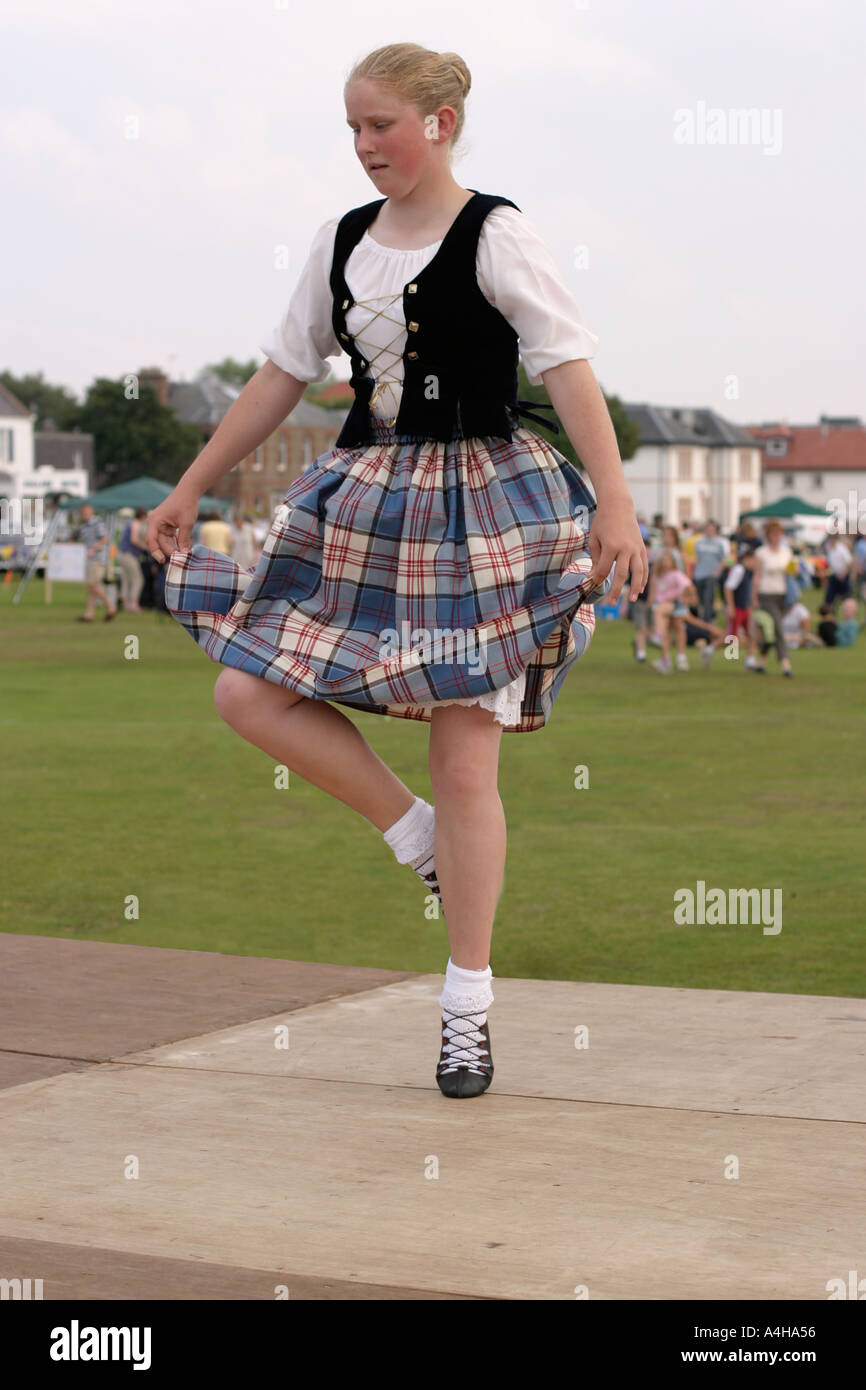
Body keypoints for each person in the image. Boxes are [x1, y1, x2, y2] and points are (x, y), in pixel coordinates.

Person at [143, 42, 647, 1100]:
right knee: (245, 688)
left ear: (442, 122)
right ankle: (410, 831)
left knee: (470, 765)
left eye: (382, 126)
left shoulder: (495, 232)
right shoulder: (339, 244)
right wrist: (189, 485)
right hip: (366, 503)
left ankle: (465, 1008)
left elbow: (566, 365)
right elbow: (282, 372)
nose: (365, 146)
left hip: (483, 508)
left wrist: (615, 497)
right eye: (353, 129)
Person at [750, 519, 794, 676]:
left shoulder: (786, 552)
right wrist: (754, 597)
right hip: (765, 593)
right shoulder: (761, 553)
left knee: (771, 631)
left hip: (781, 593)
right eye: (773, 534)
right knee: (778, 629)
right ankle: (785, 664)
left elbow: (790, 572)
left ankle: (761, 661)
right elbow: (757, 576)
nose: (776, 537)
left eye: (778, 533)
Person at [649, 552, 695, 674]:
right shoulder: (657, 576)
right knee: (665, 631)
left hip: (672, 604)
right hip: (661, 604)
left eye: (668, 560)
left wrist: (678, 597)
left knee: (662, 614)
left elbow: (689, 587)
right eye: (663, 560)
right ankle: (665, 661)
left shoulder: (676, 574)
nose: (665, 563)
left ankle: (657, 637)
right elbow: (654, 594)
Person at [76, 502, 117, 622]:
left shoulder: (97, 523)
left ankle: (111, 606)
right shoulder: (84, 526)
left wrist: (94, 548)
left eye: (87, 512)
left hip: (98, 559)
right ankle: (89, 614)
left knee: (93, 585)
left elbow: (105, 538)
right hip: (90, 559)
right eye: (83, 513)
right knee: (91, 588)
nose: (85, 515)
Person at [723, 547, 760, 668]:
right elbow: (728, 588)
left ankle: (750, 658)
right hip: (737, 606)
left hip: (745, 607)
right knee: (732, 635)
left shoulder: (749, 572)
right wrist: (731, 607)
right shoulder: (739, 570)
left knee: (751, 632)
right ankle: (727, 655)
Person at [691, 519, 729, 623]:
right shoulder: (699, 542)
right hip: (699, 574)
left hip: (711, 574)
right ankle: (704, 616)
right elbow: (697, 558)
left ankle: (707, 620)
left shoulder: (720, 543)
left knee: (709, 597)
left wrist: (717, 571)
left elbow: (725, 560)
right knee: (699, 597)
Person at [116, 507, 149, 612]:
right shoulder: (136, 524)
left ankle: (125, 604)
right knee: (138, 579)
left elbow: (120, 538)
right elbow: (134, 540)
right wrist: (145, 547)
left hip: (122, 554)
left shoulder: (129, 523)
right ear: (143, 516)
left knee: (126, 579)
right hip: (129, 555)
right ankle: (133, 604)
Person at [824, 534, 852, 609]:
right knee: (829, 594)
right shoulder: (829, 548)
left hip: (843, 575)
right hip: (834, 574)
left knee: (846, 595)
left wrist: (843, 573)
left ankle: (848, 608)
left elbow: (848, 562)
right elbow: (829, 563)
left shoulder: (842, 549)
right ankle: (828, 610)